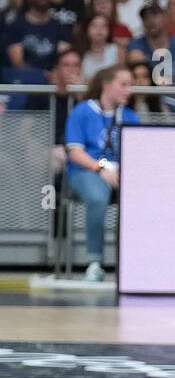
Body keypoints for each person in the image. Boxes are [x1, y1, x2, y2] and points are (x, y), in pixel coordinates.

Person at [63, 65, 139, 283]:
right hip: (86, 170)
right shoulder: (82, 112)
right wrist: (102, 167)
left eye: (131, 85)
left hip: (121, 172)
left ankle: (136, 262)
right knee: (97, 197)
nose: (129, 90)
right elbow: (75, 152)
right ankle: (95, 262)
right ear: (107, 85)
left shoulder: (130, 116)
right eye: (123, 85)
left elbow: (136, 153)